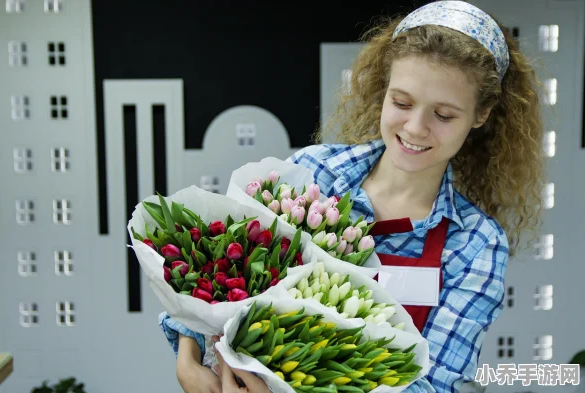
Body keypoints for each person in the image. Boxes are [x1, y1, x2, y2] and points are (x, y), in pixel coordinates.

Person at [159, 1, 545, 392]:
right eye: (402, 102)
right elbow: (219, 269)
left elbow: (432, 385)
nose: (415, 128)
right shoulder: (313, 173)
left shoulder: (475, 244)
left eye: (444, 115)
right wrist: (188, 359)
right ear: (384, 88)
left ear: (481, 114)